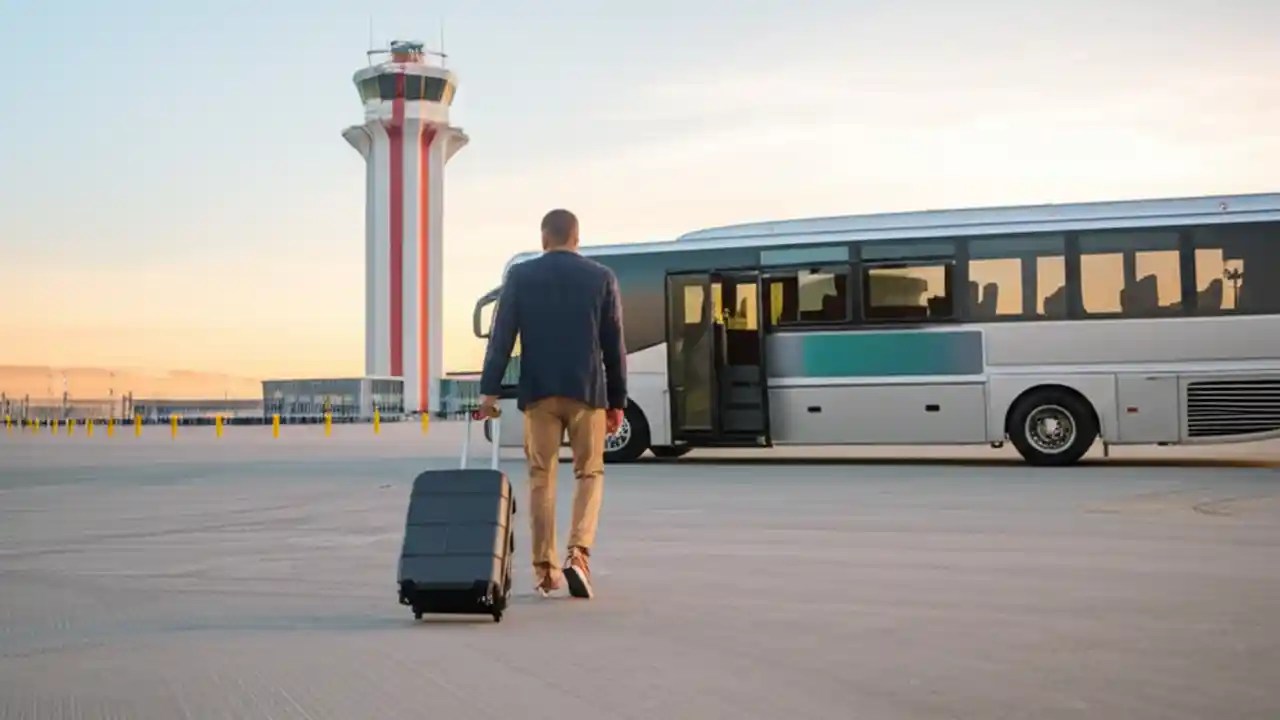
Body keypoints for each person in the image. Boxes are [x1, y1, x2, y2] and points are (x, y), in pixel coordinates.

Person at [478, 208, 627, 600]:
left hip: (539, 393)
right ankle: (578, 554)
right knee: (589, 473)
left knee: (541, 477)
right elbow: (614, 345)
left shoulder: (521, 276)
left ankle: (545, 570)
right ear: (576, 238)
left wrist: (488, 391)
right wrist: (618, 401)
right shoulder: (601, 278)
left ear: (544, 239)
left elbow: (501, 337)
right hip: (587, 393)